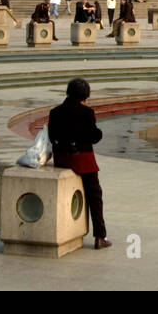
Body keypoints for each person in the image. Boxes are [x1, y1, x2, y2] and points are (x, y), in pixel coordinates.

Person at [47, 78, 109, 248]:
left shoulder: (55, 112)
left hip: (62, 159)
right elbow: (94, 137)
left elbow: (52, 137)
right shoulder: (87, 112)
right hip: (82, 160)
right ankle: (99, 236)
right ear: (86, 95)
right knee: (94, 195)